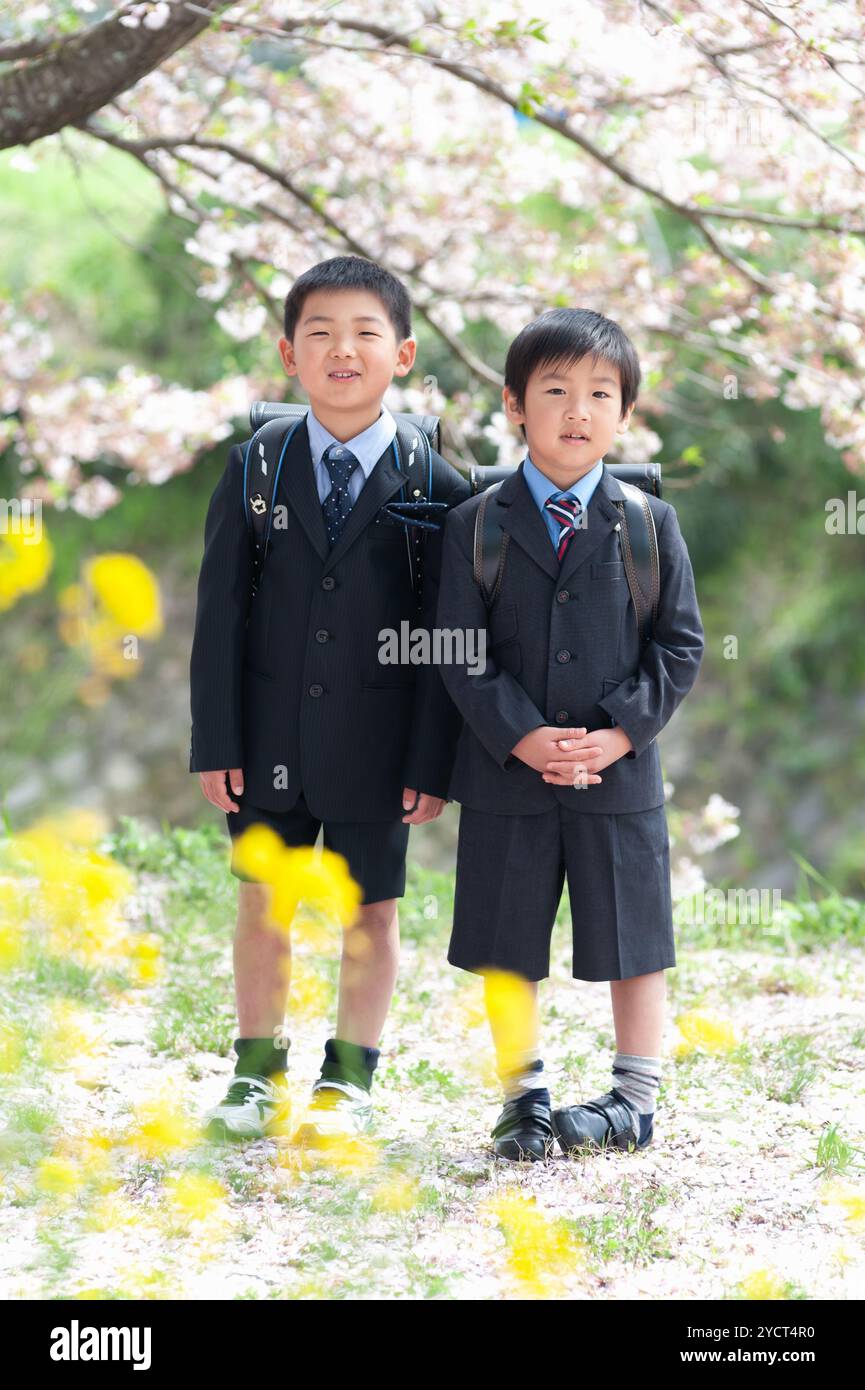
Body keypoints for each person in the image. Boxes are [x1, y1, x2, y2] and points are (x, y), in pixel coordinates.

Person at [189, 254, 470, 1143]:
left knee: (370, 911)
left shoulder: (438, 485)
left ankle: (348, 1077)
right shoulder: (254, 469)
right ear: (287, 353)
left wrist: (431, 761)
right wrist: (215, 739)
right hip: (268, 730)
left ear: (405, 354)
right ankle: (254, 1069)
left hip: (379, 744)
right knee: (263, 902)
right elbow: (219, 613)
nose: (341, 350)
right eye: (319, 333)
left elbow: (444, 648)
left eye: (364, 333)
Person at [434, 306, 704, 1160]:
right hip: (506, 774)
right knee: (506, 933)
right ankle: (523, 1095)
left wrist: (620, 733)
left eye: (599, 393)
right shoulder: (474, 523)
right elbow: (456, 649)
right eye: (554, 391)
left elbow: (680, 645)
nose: (576, 410)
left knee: (633, 934)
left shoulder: (646, 525)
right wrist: (520, 735)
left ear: (624, 414)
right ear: (515, 405)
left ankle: (634, 1098)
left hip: (617, 775)